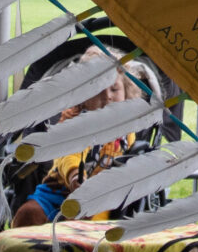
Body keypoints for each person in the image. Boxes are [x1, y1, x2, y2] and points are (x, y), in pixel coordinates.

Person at [9, 53, 161, 227]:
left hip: (101, 196)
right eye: (98, 90)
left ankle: (76, 250)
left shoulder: (128, 128)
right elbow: (68, 154)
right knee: (28, 214)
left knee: (84, 219)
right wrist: (74, 175)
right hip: (57, 190)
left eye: (114, 89)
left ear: (126, 92)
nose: (107, 97)